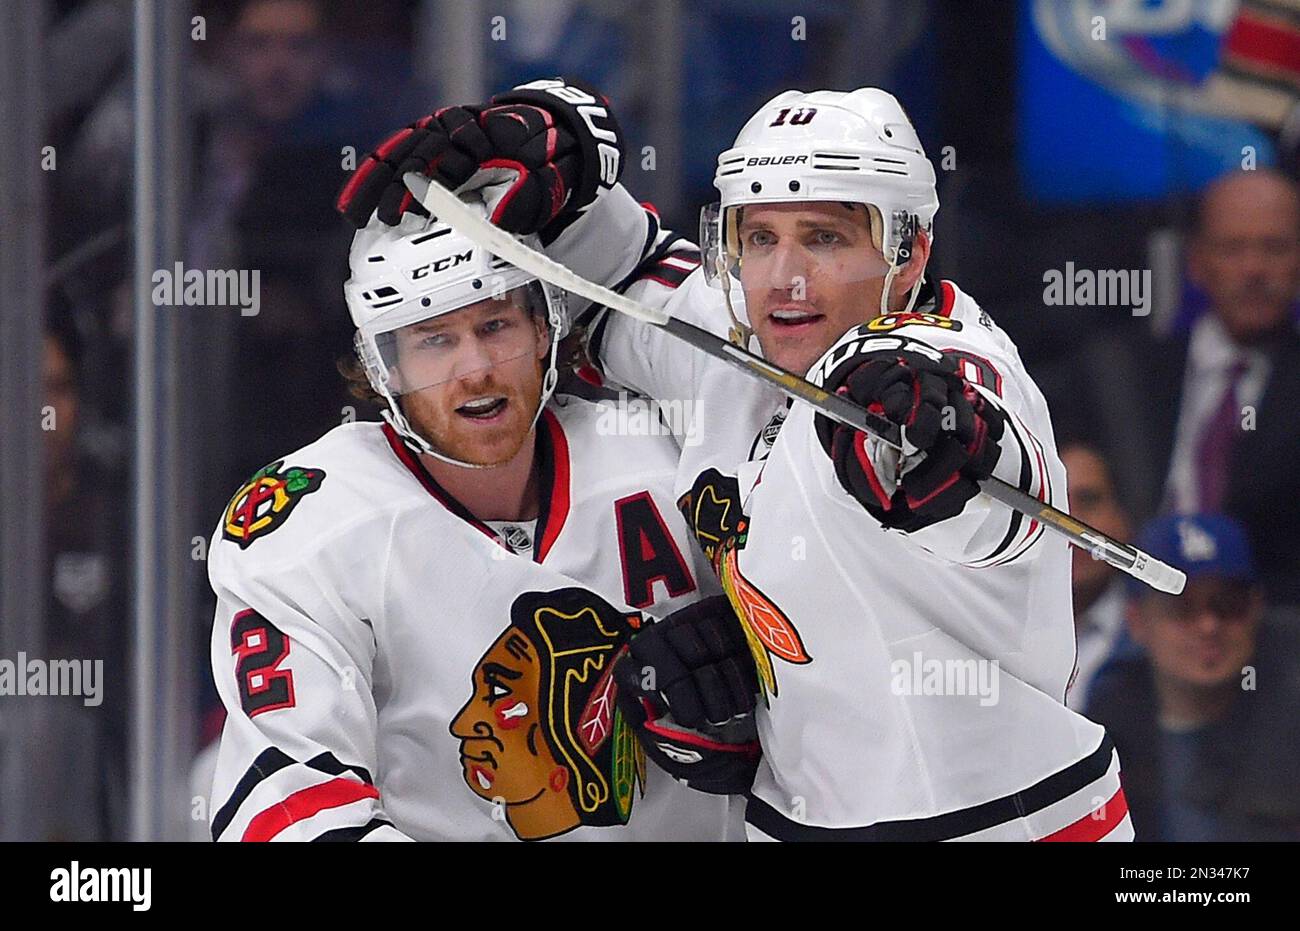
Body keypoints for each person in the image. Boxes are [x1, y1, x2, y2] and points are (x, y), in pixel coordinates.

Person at [339, 79, 1131, 841]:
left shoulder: (947, 363)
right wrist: (562, 133)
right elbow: (621, 273)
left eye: (825, 237)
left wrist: (947, 449)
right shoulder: (739, 344)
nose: (786, 275)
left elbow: (988, 469)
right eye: (760, 238)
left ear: (911, 252)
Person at [206, 202, 746, 841]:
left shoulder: (670, 459)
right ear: (384, 367)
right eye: (434, 339)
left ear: (546, 328)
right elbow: (288, 813)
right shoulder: (308, 527)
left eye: (495, 326)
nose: (475, 371)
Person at [1044, 168, 1300, 603]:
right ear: (1197, 262)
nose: (1254, 269)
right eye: (1233, 249)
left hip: (1255, 621)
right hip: (1112, 606)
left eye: (1274, 248)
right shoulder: (1118, 370)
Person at [1086, 513, 1300, 841]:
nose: (1208, 625)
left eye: (1228, 605)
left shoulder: (1289, 705)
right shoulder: (1106, 724)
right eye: (1182, 607)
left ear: (1256, 608)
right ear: (1137, 620)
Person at [1060, 440, 1133, 712]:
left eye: (1088, 501)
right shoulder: (985, 631)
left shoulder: (1162, 637)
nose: (1070, 523)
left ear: (1122, 518)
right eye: (1053, 503)